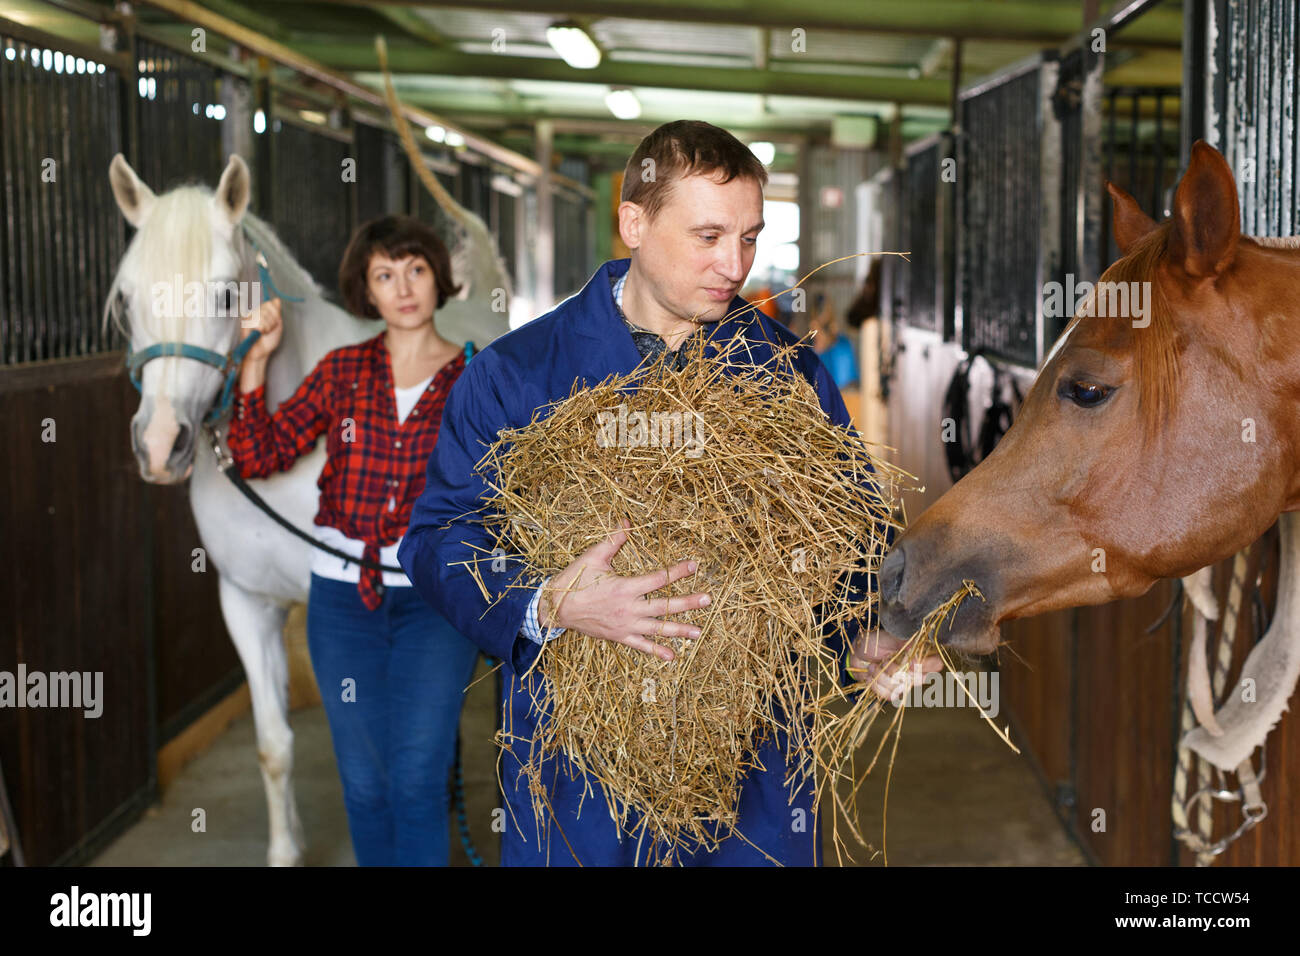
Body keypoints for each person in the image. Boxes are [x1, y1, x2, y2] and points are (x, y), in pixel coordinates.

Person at [399, 121, 940, 866]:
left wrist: (869, 631)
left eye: (749, 237)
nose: (735, 264)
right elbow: (438, 538)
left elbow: (853, 534)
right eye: (708, 235)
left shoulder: (787, 376)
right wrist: (548, 602)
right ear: (634, 223)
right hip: (577, 760)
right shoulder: (519, 374)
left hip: (755, 753)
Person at [228, 215, 479, 866]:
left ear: (439, 280)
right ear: (366, 291)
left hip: (435, 604)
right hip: (343, 604)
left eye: (416, 270)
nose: (403, 288)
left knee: (419, 782)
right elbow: (258, 453)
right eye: (385, 275)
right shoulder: (341, 371)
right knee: (367, 786)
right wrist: (257, 357)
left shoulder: (476, 377)